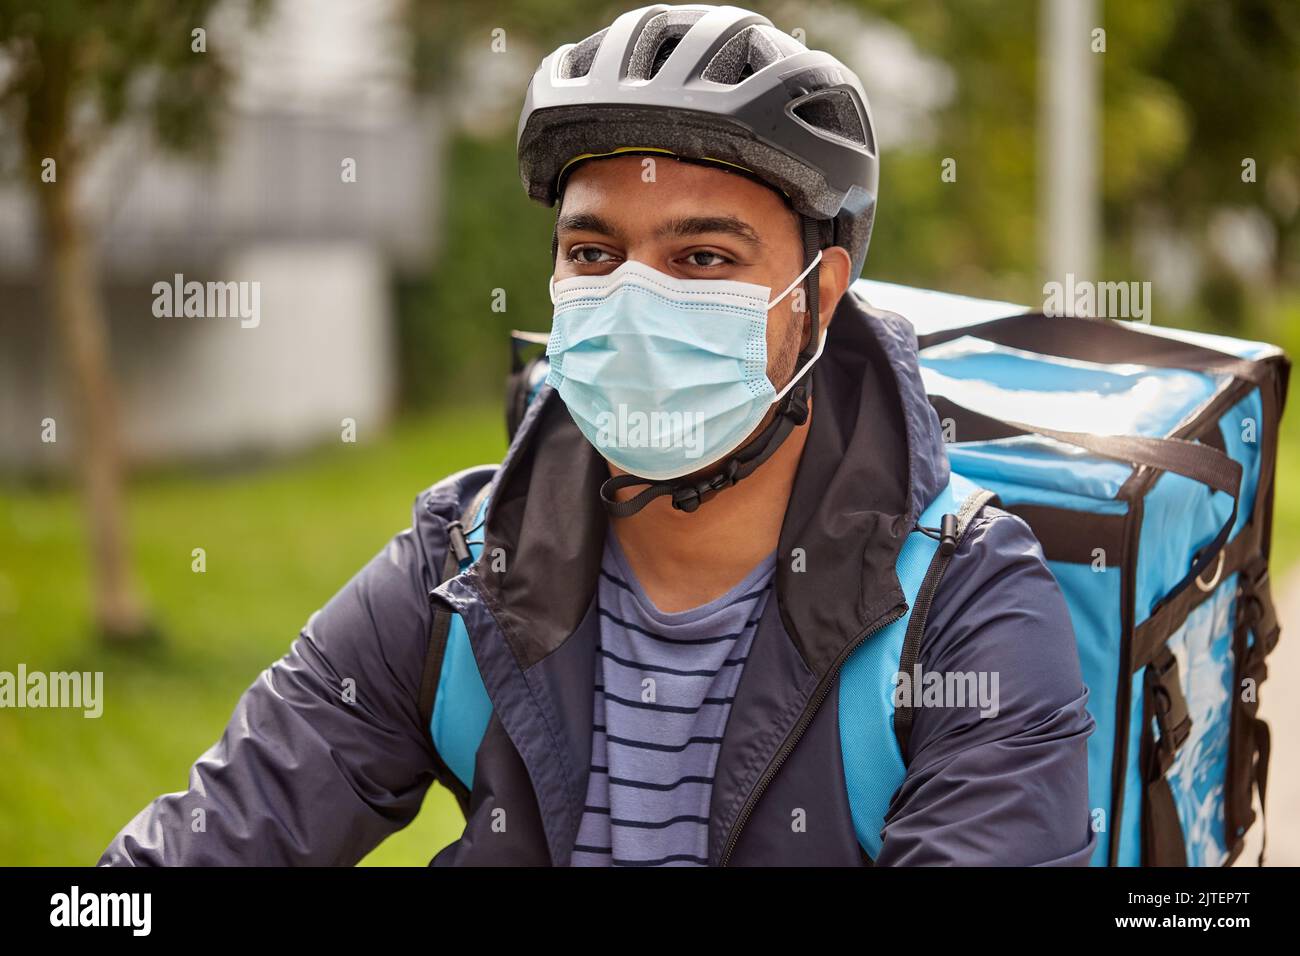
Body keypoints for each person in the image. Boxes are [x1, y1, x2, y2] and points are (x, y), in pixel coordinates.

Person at [100, 4, 1095, 867]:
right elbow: (227, 826)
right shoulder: (463, 561)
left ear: (816, 299)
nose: (632, 300)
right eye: (593, 251)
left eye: (701, 256)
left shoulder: (965, 604)